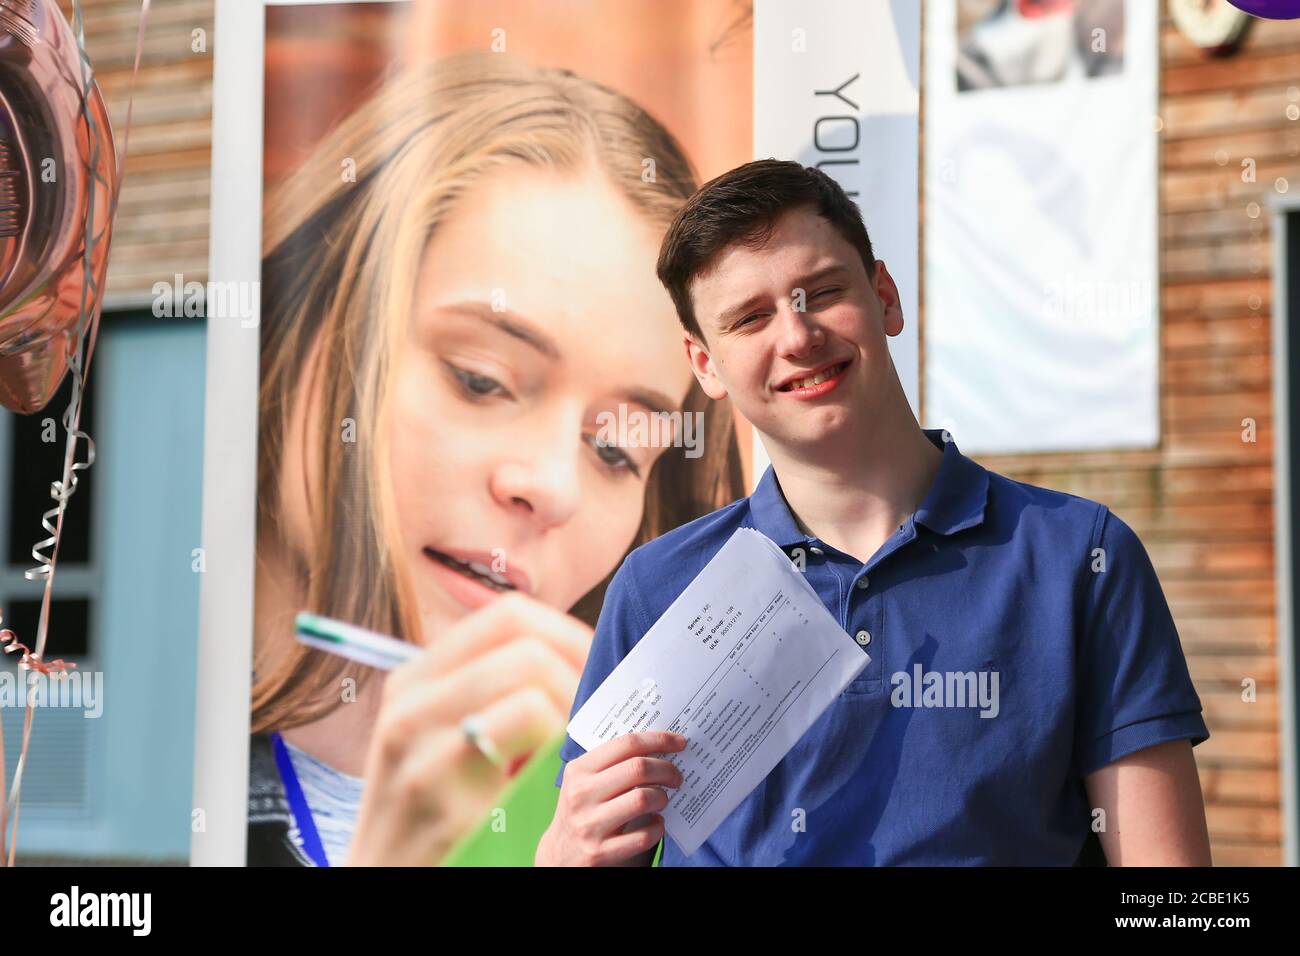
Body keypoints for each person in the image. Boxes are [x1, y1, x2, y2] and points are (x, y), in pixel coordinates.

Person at [538, 159, 1213, 866]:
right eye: (750, 318)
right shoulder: (656, 586)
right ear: (705, 364)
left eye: (822, 292)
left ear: (885, 296)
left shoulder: (1081, 559)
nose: (797, 336)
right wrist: (563, 852)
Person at [247, 52, 744, 866]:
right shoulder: (93, 741)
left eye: (619, 449)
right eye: (482, 380)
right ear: (303, 328)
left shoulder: (648, 819)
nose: (549, 486)